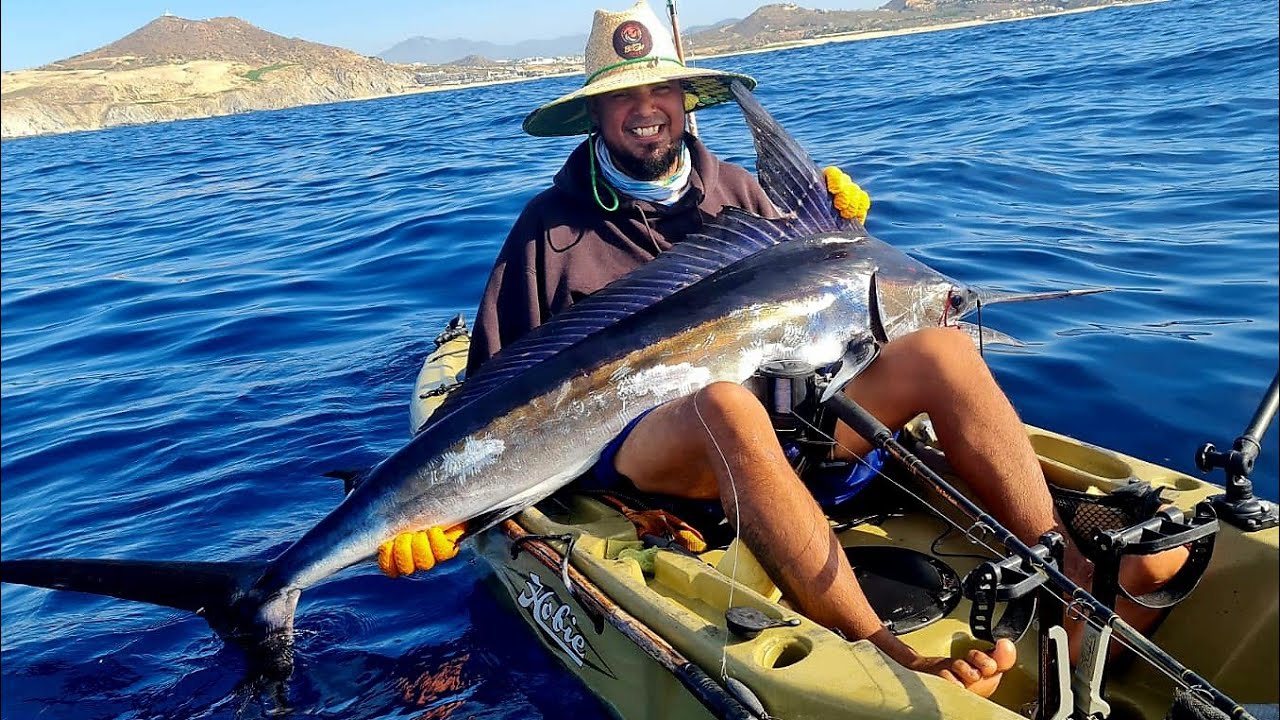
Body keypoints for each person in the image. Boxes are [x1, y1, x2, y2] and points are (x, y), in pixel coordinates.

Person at [379, 0, 1189, 698]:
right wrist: (448, 513)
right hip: (658, 453)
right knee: (724, 404)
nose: (645, 107)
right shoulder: (547, 233)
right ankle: (886, 651)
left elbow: (815, 312)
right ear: (596, 112)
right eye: (624, 95)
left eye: (660, 87)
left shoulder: (741, 190)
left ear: (686, 99)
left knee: (942, 350)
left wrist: (847, 239)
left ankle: (1076, 582)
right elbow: (494, 390)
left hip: (797, 427)